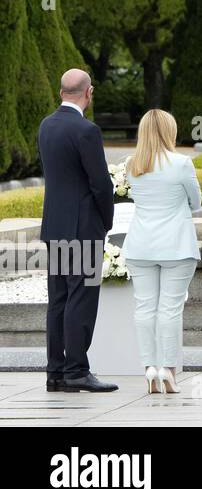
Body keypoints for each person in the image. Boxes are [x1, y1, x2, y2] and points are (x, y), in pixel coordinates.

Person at [37, 69, 117, 393]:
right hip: (82, 229)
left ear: (60, 93)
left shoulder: (46, 126)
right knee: (81, 299)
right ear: (89, 93)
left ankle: (55, 372)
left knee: (58, 300)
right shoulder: (87, 130)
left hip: (55, 226)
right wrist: (107, 222)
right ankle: (77, 370)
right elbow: (101, 184)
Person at [120, 109, 202, 395]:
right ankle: (167, 368)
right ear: (171, 132)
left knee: (144, 307)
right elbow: (196, 202)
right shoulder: (181, 163)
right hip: (176, 245)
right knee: (170, 308)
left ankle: (149, 369)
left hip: (140, 244)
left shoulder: (132, 164)